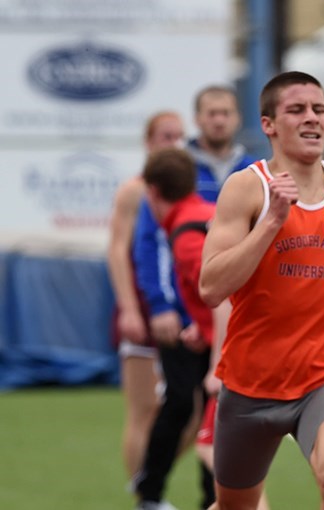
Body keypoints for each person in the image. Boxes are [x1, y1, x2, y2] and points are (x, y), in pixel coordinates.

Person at [198, 71, 324, 510]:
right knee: (234, 505)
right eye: (297, 110)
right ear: (269, 124)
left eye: (319, 110)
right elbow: (211, 287)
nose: (311, 119)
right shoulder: (247, 188)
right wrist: (270, 223)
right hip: (249, 384)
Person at [134, 86, 257, 510]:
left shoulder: (188, 233)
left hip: (224, 347)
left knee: (209, 435)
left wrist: (215, 363)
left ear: (152, 191)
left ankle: (153, 494)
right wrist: (168, 310)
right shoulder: (197, 212)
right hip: (209, 337)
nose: (218, 120)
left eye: (226, 111)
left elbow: (222, 296)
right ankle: (160, 493)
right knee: (202, 425)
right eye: (211, 112)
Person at [107, 110, 184, 492]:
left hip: (181, 311)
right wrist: (131, 308)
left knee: (189, 408)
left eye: (179, 137)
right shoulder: (134, 190)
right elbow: (118, 251)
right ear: (149, 142)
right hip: (143, 307)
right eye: (165, 137)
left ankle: (150, 477)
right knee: (143, 410)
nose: (173, 144)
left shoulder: (189, 189)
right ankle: (144, 496)